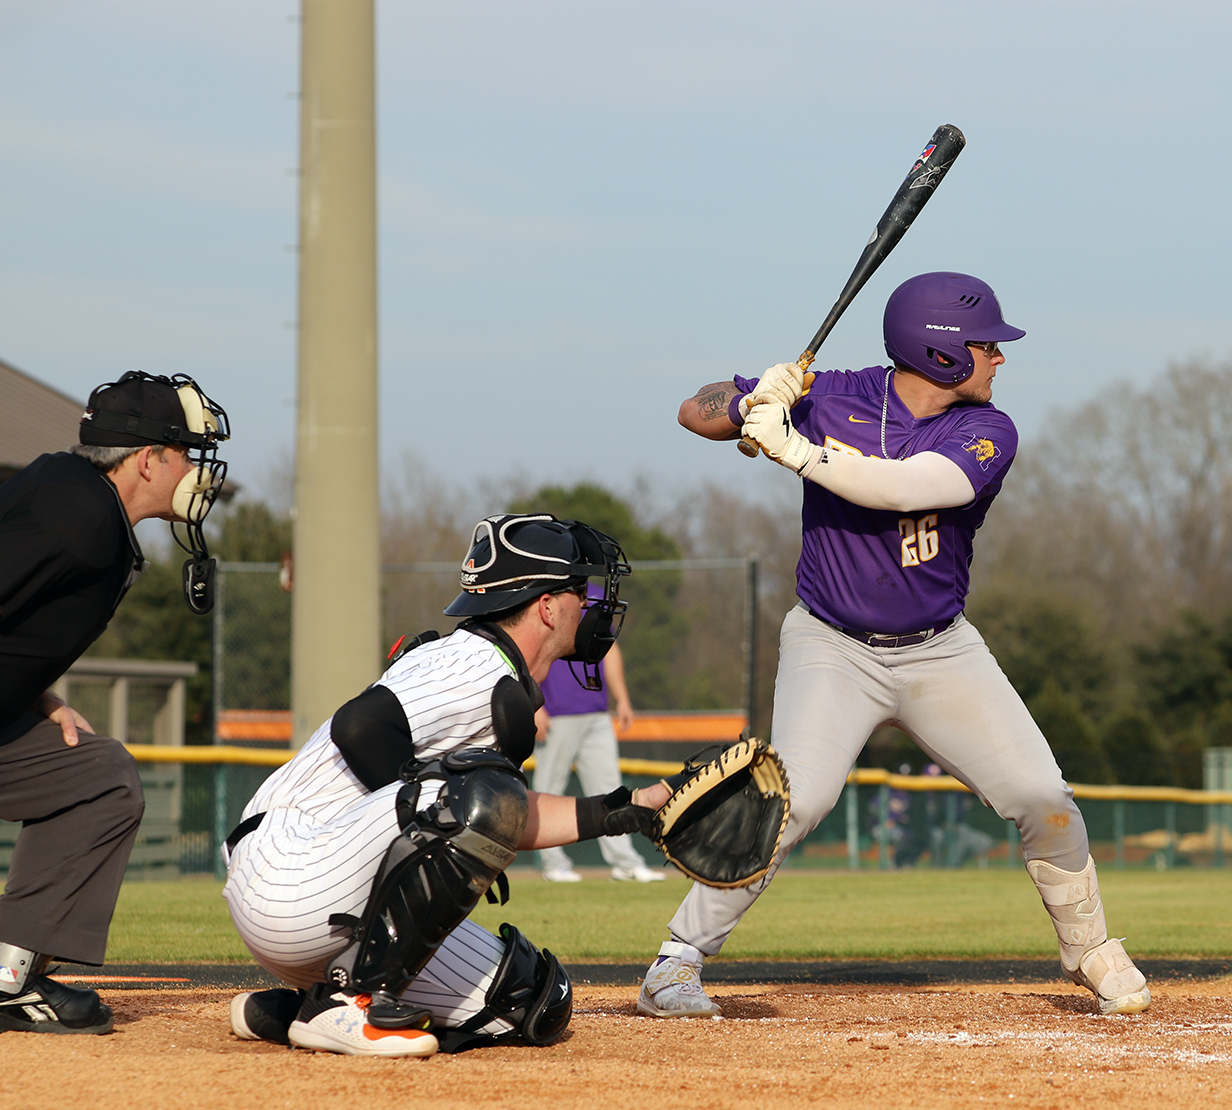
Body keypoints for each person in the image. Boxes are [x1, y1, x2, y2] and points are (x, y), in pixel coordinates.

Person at [643, 271, 1150, 1018]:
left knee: (1043, 795)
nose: (999, 360)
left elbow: (911, 487)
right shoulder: (833, 393)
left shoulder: (988, 431)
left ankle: (1092, 950)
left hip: (939, 651)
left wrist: (797, 451)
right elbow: (695, 411)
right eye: (986, 347)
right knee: (795, 800)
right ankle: (675, 962)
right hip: (831, 643)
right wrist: (754, 402)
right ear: (942, 353)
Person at [220, 513, 672, 1056]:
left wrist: (634, 809)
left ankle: (289, 1011)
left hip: (337, 902)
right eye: (580, 589)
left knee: (529, 1000)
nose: (591, 603)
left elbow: (509, 813)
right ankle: (350, 1002)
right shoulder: (474, 664)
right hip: (290, 871)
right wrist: (433, 827)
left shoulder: (495, 671)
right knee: (474, 799)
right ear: (547, 607)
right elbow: (360, 725)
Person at [0, 371, 231, 1034]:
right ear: (148, 459)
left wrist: (35, 694)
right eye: (186, 453)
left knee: (101, 778)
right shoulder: (77, 512)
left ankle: (7, 972)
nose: (195, 469)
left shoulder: (78, 498)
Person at [532, 607, 666, 884]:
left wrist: (622, 698)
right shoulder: (545, 593)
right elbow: (528, 645)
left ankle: (625, 863)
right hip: (556, 712)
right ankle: (553, 864)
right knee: (547, 790)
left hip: (596, 711)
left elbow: (609, 650)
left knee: (611, 789)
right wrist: (532, 702)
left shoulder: (595, 593)